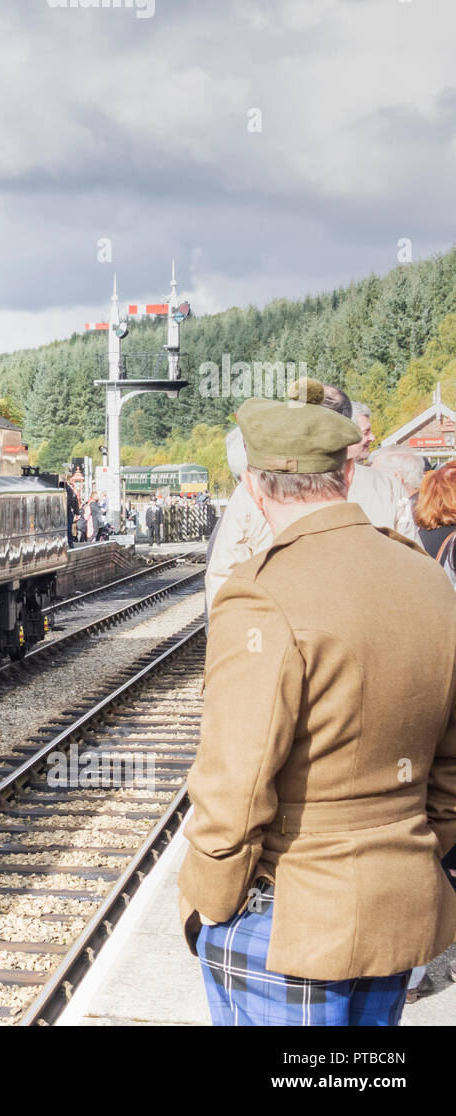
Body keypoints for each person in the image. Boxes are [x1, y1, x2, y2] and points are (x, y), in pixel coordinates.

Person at [180, 396, 456, 1026]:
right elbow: (451, 763)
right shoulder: (427, 580)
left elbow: (235, 786)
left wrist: (207, 902)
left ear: (253, 484)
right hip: (397, 902)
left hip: (290, 918)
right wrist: (416, 847)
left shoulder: (261, 593)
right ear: (348, 473)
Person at [205, 379, 419, 612]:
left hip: (275, 623)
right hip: (370, 622)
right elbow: (414, 566)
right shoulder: (387, 487)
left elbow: (224, 574)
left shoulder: (253, 487)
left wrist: (238, 635)